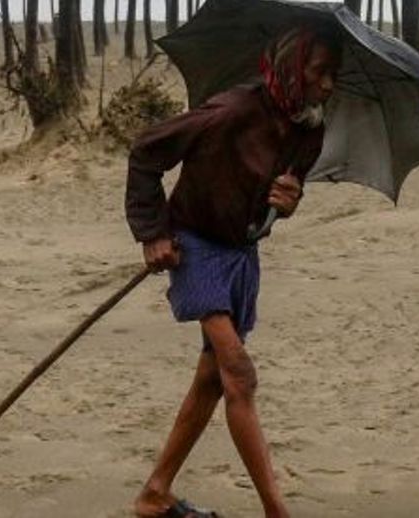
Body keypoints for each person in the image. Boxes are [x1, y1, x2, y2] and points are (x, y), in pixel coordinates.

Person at [125, 26, 340, 518]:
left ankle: (155, 493)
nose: (327, 85)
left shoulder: (310, 129)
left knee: (212, 379)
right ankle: (277, 511)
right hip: (195, 248)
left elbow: (277, 199)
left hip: (242, 255)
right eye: (318, 71)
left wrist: (288, 203)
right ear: (292, 66)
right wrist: (152, 233)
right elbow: (145, 154)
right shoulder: (231, 111)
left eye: (334, 75)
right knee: (239, 373)